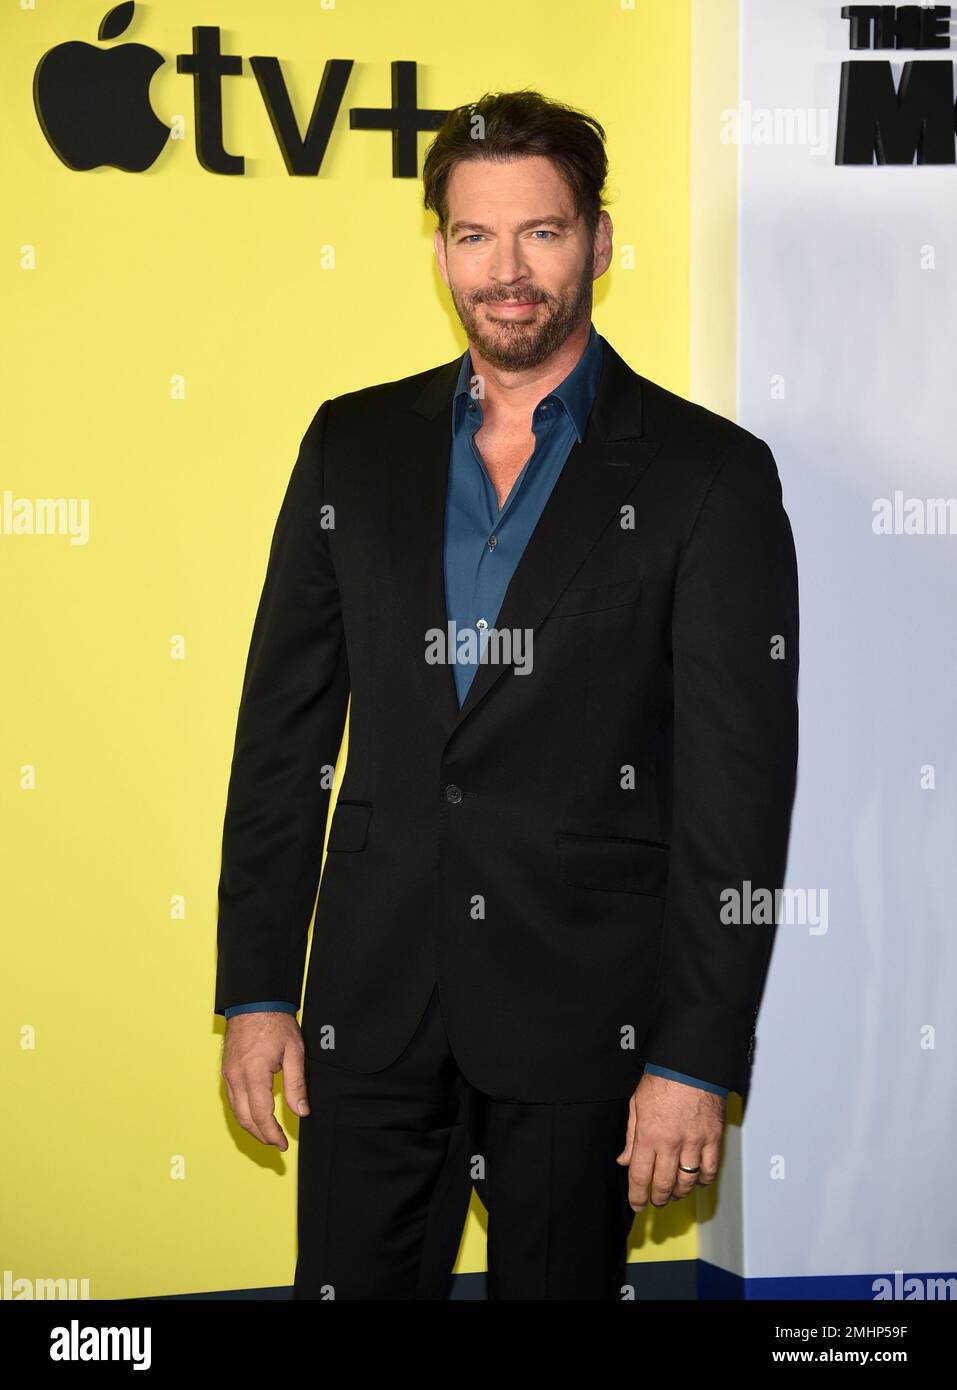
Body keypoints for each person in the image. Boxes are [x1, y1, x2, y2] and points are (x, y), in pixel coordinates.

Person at [214, 89, 800, 1301]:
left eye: (541, 232)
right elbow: (283, 734)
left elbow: (738, 791)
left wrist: (695, 1053)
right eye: (475, 237)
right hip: (369, 1012)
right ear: (438, 251)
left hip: (588, 1024)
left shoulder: (709, 477)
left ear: (597, 242)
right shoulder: (351, 446)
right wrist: (261, 988)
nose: (508, 271)